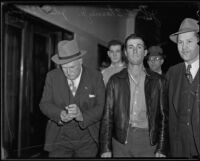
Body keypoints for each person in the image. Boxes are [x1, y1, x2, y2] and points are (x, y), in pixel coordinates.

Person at [100, 33, 168, 157]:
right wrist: (105, 147)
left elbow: (163, 116)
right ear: (125, 52)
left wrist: (162, 148)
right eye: (130, 47)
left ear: (145, 52)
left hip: (148, 141)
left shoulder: (159, 81)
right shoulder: (114, 80)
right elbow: (107, 115)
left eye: (139, 47)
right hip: (120, 141)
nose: (135, 51)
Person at [39, 39, 105, 158]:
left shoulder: (95, 76)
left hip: (87, 138)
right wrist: (59, 114)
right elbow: (44, 103)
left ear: (80, 60)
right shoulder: (52, 76)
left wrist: (82, 116)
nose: (68, 72)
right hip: (59, 137)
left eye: (72, 67)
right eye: (64, 68)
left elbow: (102, 107)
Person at [167, 18, 199, 158]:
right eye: (180, 42)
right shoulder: (172, 73)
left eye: (189, 41)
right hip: (179, 150)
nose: (184, 47)